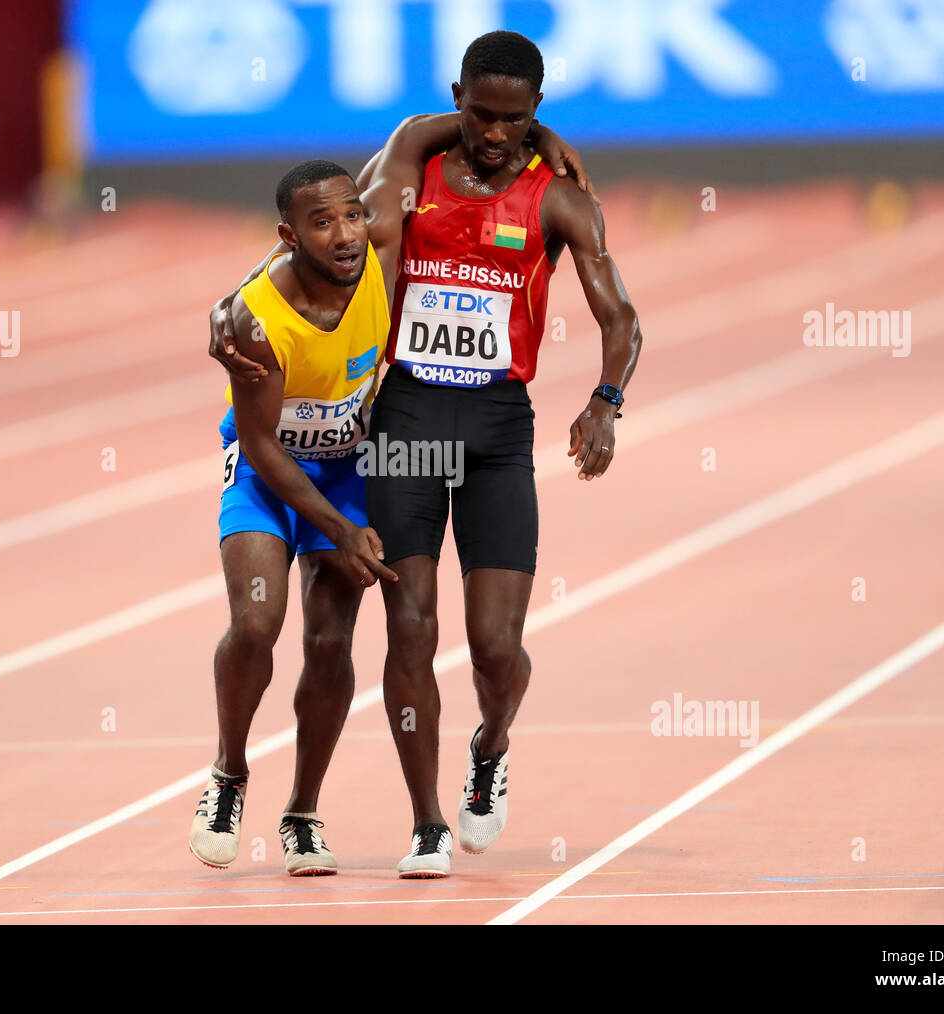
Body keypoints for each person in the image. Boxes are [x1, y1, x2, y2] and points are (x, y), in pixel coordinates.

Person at [194, 112, 591, 877]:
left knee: (328, 641)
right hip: (269, 471)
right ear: (287, 237)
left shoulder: (380, 249)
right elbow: (264, 447)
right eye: (321, 223)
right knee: (255, 621)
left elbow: (415, 137)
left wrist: (538, 133)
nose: (344, 233)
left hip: (351, 467)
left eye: (351, 215)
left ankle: (303, 813)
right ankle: (228, 772)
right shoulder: (252, 323)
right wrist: (340, 532)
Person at [361, 30, 643, 877]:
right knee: (409, 626)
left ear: (536, 114)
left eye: (514, 121)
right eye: (479, 114)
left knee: (493, 646)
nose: (492, 134)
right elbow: (408, 144)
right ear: (456, 97)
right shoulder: (415, 158)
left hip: (494, 428)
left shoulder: (558, 200)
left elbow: (621, 318)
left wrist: (605, 399)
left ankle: (491, 745)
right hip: (405, 416)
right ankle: (423, 822)